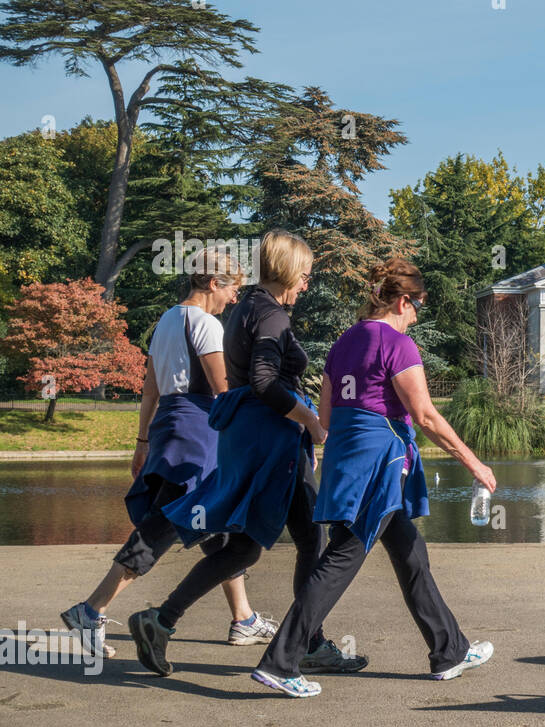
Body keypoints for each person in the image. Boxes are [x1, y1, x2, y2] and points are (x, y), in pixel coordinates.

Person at [252, 258, 496, 697]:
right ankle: (280, 660)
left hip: (346, 458)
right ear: (403, 300)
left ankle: (449, 651)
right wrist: (474, 463)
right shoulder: (397, 343)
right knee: (343, 557)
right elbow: (425, 415)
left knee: (409, 551)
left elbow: (324, 419)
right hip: (381, 461)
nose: (417, 316)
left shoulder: (345, 341)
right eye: (418, 306)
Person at [128, 229, 358, 677]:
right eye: (305, 275)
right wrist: (309, 422)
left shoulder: (246, 308)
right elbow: (265, 381)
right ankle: (307, 643)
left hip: (249, 437)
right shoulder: (271, 316)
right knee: (311, 538)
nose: (307, 285)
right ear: (288, 270)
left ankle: (160, 620)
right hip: (272, 440)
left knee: (248, 547)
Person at [60, 249, 277, 660]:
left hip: (171, 428)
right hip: (198, 432)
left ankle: (243, 618)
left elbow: (150, 389)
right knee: (163, 527)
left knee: (217, 528)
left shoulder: (166, 320)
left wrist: (142, 442)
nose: (235, 298)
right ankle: (91, 610)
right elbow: (224, 394)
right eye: (233, 288)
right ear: (213, 283)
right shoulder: (207, 325)